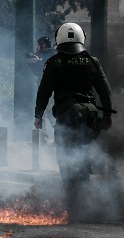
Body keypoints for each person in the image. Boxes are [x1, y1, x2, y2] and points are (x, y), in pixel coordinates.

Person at [34, 22, 113, 207]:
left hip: (66, 115)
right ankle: (87, 193)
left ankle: (72, 198)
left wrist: (38, 115)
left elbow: (44, 91)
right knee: (85, 150)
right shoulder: (93, 61)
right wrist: (108, 115)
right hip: (89, 116)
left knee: (64, 155)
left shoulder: (54, 63)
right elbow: (105, 91)